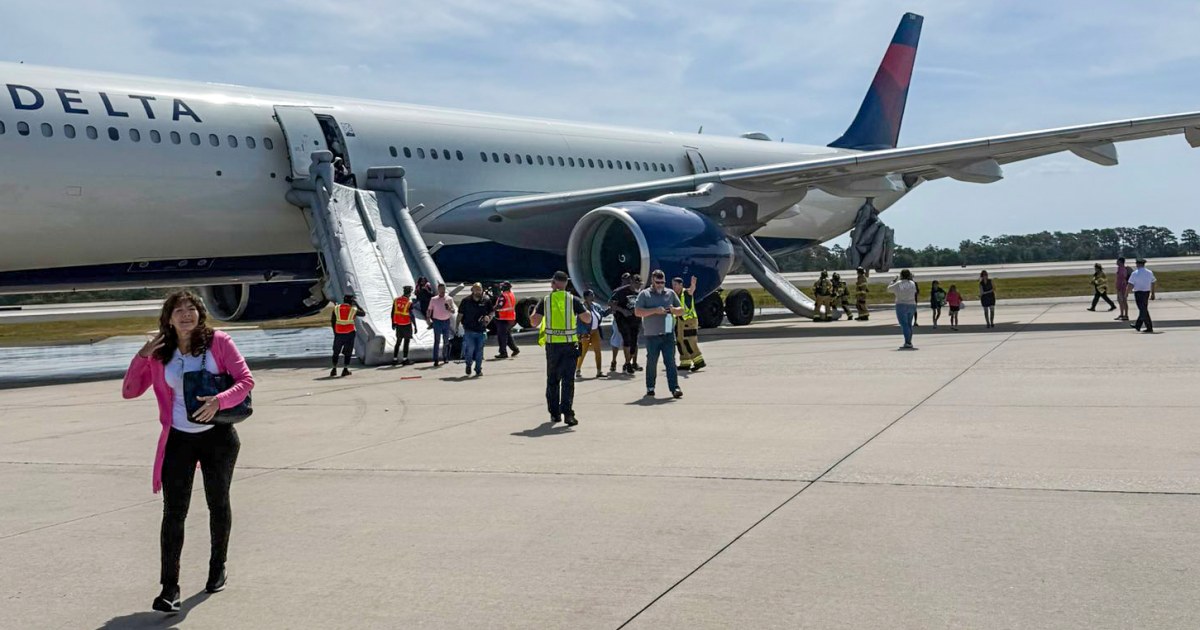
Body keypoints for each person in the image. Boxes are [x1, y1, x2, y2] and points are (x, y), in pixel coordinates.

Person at [122, 290, 254, 613]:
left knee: (217, 502)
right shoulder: (160, 353)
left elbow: (246, 381)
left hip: (217, 437)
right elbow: (129, 391)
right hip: (179, 440)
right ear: (168, 318)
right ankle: (170, 588)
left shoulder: (219, 342)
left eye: (191, 308)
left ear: (200, 313)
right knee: (173, 513)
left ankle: (217, 565)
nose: (185, 314)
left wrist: (218, 401)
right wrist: (141, 356)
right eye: (177, 310)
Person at [531, 271, 590, 425]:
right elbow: (587, 318)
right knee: (568, 381)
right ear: (566, 283)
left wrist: (533, 313)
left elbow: (534, 322)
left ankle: (555, 414)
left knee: (553, 381)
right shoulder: (573, 300)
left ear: (553, 283)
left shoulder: (546, 300)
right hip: (570, 346)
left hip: (553, 348)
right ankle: (568, 413)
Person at [635, 269, 685, 398]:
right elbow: (638, 312)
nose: (660, 285)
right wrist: (654, 311)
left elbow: (681, 310)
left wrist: (674, 310)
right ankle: (650, 387)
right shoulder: (644, 295)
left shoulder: (670, 293)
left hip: (668, 334)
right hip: (652, 335)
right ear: (652, 281)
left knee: (670, 362)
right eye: (658, 282)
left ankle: (675, 388)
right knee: (652, 362)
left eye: (662, 282)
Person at [610, 273, 643, 374]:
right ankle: (628, 363)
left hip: (635, 320)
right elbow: (611, 303)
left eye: (640, 284)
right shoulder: (621, 292)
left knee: (634, 342)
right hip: (623, 320)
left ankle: (630, 361)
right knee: (627, 340)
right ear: (632, 282)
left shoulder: (640, 293)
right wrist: (622, 310)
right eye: (637, 284)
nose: (638, 286)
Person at [456, 282, 492, 376]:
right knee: (470, 349)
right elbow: (460, 315)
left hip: (481, 330)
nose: (478, 291)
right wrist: (456, 326)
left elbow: (491, 312)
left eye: (479, 289)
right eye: (475, 289)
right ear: (472, 290)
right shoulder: (466, 301)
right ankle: (468, 364)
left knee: (480, 351)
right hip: (469, 330)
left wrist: (488, 317)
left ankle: (478, 369)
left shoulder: (486, 300)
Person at [672, 275, 707, 371]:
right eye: (673, 285)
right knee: (680, 342)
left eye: (675, 284)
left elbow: (691, 290)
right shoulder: (674, 295)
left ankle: (699, 361)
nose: (673, 287)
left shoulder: (685, 292)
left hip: (689, 321)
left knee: (689, 341)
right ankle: (685, 362)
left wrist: (693, 285)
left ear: (680, 285)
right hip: (680, 321)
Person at [330, 294, 366, 377]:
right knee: (348, 352)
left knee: (336, 351)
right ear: (351, 301)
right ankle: (345, 369)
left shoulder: (336, 308)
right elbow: (363, 313)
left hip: (338, 333)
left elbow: (333, 321)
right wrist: (356, 304)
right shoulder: (353, 309)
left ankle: (334, 369)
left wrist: (335, 332)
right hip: (349, 333)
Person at [575, 289, 607, 379]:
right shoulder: (582, 307)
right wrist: (582, 334)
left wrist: (611, 308)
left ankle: (599, 371)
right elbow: (580, 322)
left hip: (595, 331)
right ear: (586, 297)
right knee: (583, 351)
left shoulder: (596, 306)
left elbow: (603, 314)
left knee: (598, 351)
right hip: (586, 332)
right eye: (591, 295)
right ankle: (578, 369)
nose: (593, 296)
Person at [426, 283, 456, 366]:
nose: (442, 291)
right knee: (437, 340)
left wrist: (449, 308)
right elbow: (429, 310)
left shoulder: (449, 299)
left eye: (444, 289)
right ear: (438, 290)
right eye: (441, 289)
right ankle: (436, 359)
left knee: (446, 341)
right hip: (437, 322)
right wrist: (428, 319)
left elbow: (453, 311)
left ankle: (445, 357)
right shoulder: (433, 299)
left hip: (446, 321)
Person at [887, 269, 918, 349]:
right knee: (909, 324)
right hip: (912, 304)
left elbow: (889, 289)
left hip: (901, 304)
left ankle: (908, 342)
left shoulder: (898, 283)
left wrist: (893, 281)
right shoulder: (912, 283)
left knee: (904, 325)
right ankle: (909, 341)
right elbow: (914, 292)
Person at [492, 281, 521, 359]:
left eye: (501, 286)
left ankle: (503, 352)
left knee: (502, 337)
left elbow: (499, 306)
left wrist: (492, 309)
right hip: (510, 318)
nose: (500, 288)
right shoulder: (511, 294)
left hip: (503, 318)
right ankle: (515, 349)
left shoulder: (503, 295)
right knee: (507, 335)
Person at [1128, 257, 1157, 333]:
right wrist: (1153, 293)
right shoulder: (1149, 272)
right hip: (1146, 292)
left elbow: (1130, 284)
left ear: (1139, 264)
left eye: (1136, 263)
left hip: (1138, 293)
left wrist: (1126, 293)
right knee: (1143, 309)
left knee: (1143, 310)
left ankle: (1145, 326)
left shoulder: (1135, 273)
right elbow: (1153, 282)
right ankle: (1141, 326)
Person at [391, 285, 416, 365]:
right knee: (406, 342)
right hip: (406, 324)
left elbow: (392, 312)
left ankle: (394, 359)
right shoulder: (409, 303)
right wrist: (415, 326)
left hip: (398, 324)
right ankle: (405, 359)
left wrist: (393, 323)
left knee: (398, 342)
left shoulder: (396, 300)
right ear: (409, 293)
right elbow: (411, 315)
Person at [1114, 257, 1132, 321]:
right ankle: (1121, 314)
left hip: (1123, 288)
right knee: (1120, 301)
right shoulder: (1119, 269)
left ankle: (1126, 315)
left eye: (1117, 261)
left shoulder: (1123, 269)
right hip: (1119, 287)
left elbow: (1124, 279)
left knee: (1124, 301)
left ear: (1121, 262)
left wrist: (1120, 287)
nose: (1116, 262)